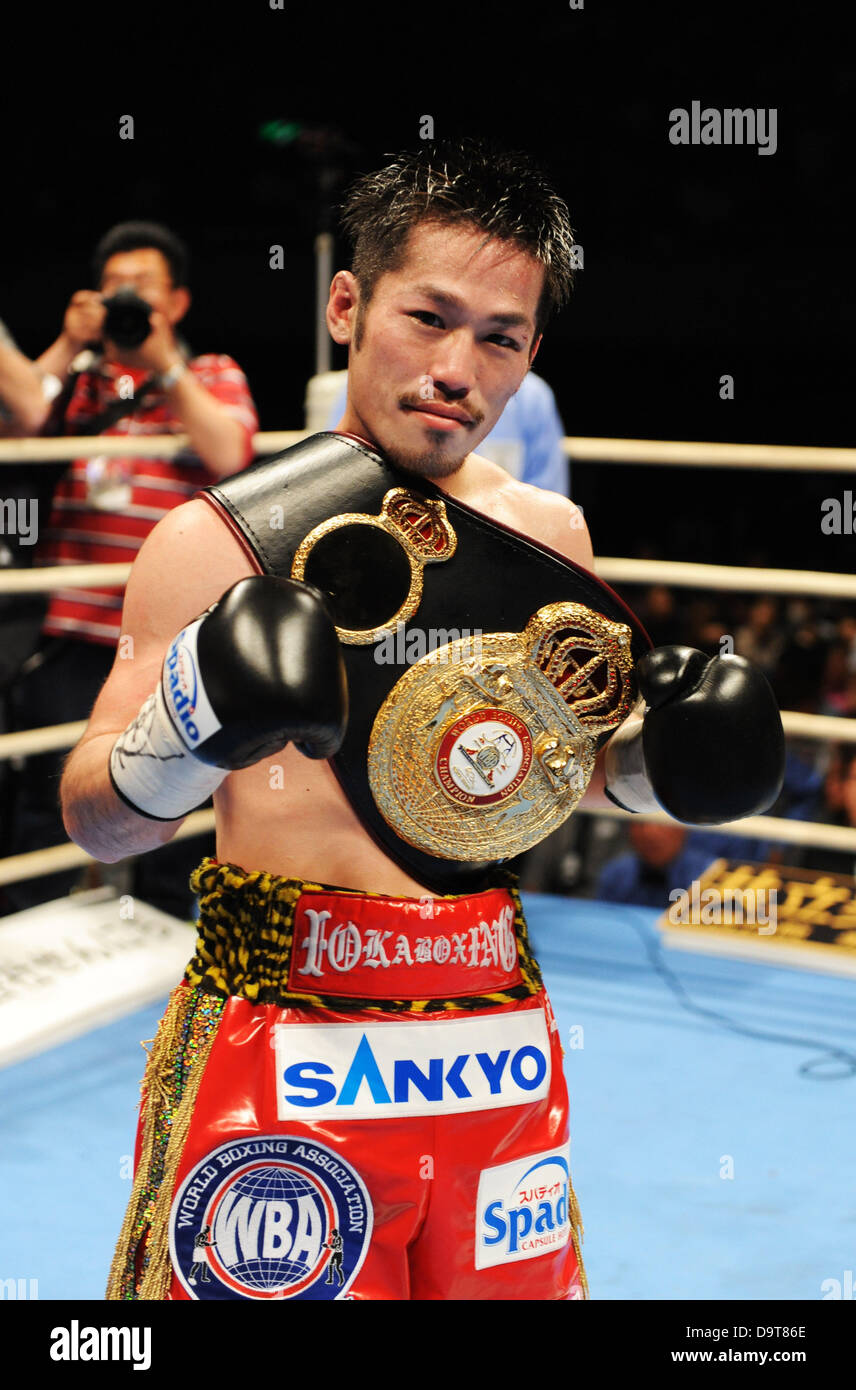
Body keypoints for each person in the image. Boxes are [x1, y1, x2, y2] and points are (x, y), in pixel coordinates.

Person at [61, 140, 784, 1302]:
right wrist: (192, 722)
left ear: (530, 354)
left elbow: (553, 768)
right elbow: (97, 818)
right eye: (427, 317)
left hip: (489, 1041)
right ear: (347, 305)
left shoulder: (553, 537)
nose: (456, 367)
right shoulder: (220, 540)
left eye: (498, 336)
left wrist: (661, 769)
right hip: (284, 1040)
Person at [2, 222, 258, 917]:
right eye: (112, 289)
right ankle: (22, 939)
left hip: (168, 639)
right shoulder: (83, 382)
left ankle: (169, 936)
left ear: (175, 303)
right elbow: (19, 425)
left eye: (139, 290)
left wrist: (164, 365)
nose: (124, 301)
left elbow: (231, 452)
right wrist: (69, 341)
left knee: (171, 795)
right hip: (70, 630)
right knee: (44, 800)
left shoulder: (209, 373)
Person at [322, 366, 570, 492]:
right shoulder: (365, 384)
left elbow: (544, 507)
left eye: (498, 339)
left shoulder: (532, 398)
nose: (455, 377)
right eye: (428, 320)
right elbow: (337, 484)